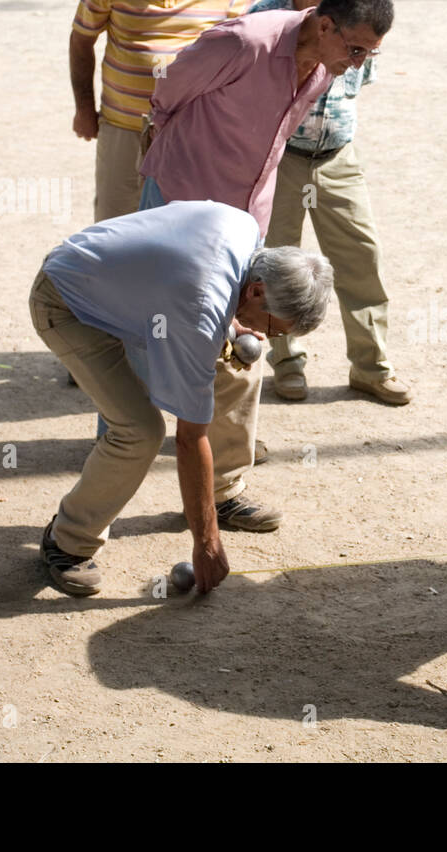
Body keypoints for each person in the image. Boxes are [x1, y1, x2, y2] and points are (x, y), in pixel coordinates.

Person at [29, 201, 332, 596]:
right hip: (67, 301)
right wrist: (206, 544)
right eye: (274, 329)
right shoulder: (200, 312)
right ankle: (66, 542)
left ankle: (221, 492)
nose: (269, 338)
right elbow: (190, 438)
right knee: (138, 431)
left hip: (138, 295)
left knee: (243, 363)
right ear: (257, 290)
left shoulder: (245, 232)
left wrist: (235, 321)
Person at [249, 0, 411, 406]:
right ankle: (286, 363)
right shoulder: (265, 23)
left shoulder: (357, 22)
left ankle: (371, 366)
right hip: (280, 159)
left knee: (362, 256)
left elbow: (357, 84)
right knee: (277, 262)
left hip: (339, 157)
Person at [137, 0, 395, 237]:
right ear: (325, 27)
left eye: (369, 53)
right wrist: (160, 132)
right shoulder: (244, 42)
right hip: (182, 199)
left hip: (249, 215)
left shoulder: (328, 64)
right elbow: (169, 86)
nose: (358, 64)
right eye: (355, 50)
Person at [69, 0, 268, 221]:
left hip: (192, 134)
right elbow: (82, 39)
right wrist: (83, 109)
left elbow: (269, 19)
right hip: (124, 127)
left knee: (181, 231)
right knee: (115, 227)